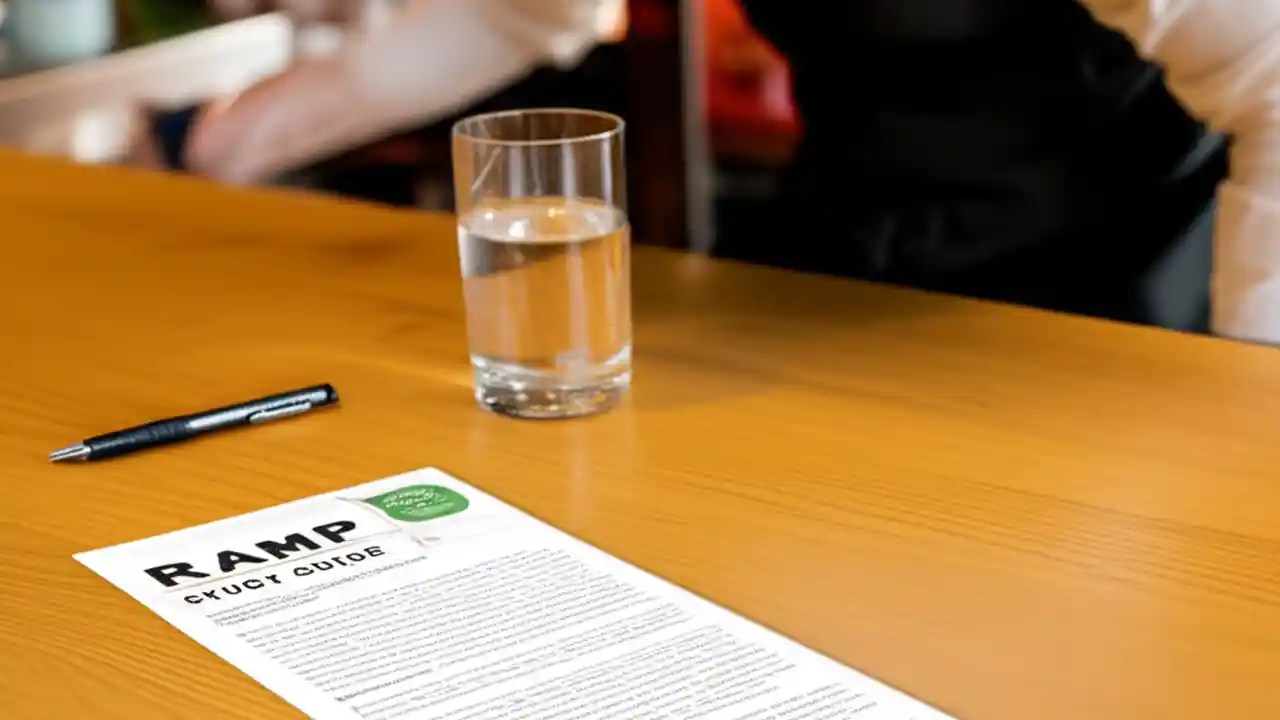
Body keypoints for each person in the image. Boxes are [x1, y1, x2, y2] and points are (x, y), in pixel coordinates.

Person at [188, 0, 1280, 345]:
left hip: (1113, 298)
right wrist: (227, 148)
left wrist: (1245, 396)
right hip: (839, 259)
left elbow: (1271, 79)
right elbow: (514, 8)